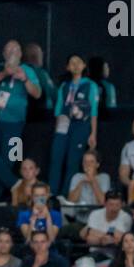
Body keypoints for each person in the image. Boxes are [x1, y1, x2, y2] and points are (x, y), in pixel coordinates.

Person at [0, 39, 42, 199]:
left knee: (10, 159)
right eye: (8, 50)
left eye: (15, 50)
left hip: (16, 123)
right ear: (4, 54)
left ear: (21, 54)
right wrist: (4, 74)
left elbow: (37, 93)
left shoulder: (27, 70)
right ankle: (15, 184)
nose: (12, 53)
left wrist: (25, 79)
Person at [48, 54, 99, 199]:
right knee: (56, 158)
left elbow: (94, 111)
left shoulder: (90, 85)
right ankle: (51, 193)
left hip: (81, 126)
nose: (75, 65)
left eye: (78, 62)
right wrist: (58, 132)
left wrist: (93, 133)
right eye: (72, 63)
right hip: (63, 125)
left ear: (84, 66)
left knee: (73, 161)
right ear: (67, 67)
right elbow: (58, 109)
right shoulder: (64, 86)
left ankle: (64, 196)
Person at [81, 190, 132, 257]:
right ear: (105, 204)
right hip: (94, 253)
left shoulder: (126, 217)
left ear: (122, 205)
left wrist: (98, 234)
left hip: (115, 256)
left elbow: (121, 239)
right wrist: (103, 239)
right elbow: (90, 238)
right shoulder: (95, 214)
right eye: (111, 204)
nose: (114, 208)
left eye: (117, 205)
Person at [17, 181, 62, 246]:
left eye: (42, 195)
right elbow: (28, 240)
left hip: (49, 250)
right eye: (36, 196)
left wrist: (48, 216)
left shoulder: (56, 215)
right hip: (30, 249)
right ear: (32, 197)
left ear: (47, 196)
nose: (40, 199)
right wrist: (33, 218)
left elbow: (52, 239)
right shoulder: (23, 215)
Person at [23, 42, 57, 115]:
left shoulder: (19, 70)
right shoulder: (40, 72)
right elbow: (52, 92)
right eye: (41, 53)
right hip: (42, 113)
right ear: (35, 56)